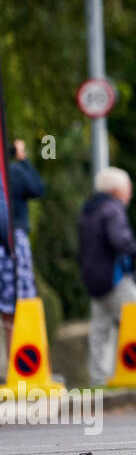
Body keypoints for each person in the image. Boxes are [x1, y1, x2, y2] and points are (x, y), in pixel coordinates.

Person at [77, 166, 136, 386]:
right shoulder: (113, 209)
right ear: (117, 190)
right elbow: (119, 239)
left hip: (93, 280)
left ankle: (99, 379)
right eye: (128, 186)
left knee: (100, 332)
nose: (130, 191)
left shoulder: (88, 210)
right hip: (114, 280)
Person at [0, 139, 45, 337]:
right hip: (13, 240)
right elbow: (37, 188)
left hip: (10, 238)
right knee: (17, 306)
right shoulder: (14, 172)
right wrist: (23, 159)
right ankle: (14, 363)